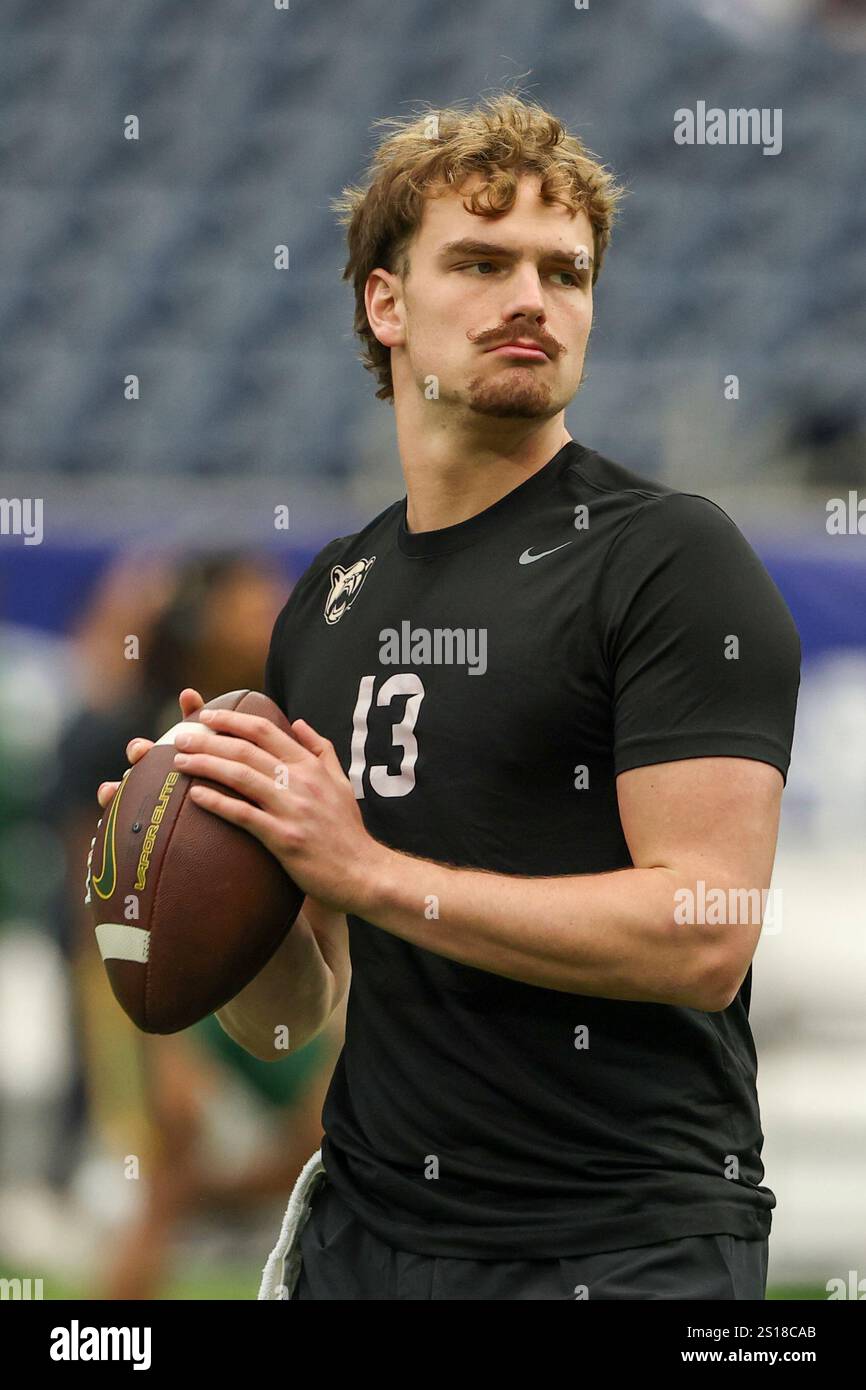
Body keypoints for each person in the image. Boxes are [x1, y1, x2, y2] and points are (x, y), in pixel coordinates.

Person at [99, 93, 801, 1300]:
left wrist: (369, 871)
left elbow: (704, 932)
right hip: (369, 1234)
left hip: (622, 1242)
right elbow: (291, 1018)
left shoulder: (669, 557)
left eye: (563, 271)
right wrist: (198, 867)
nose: (530, 298)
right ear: (385, 305)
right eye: (480, 262)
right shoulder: (328, 597)